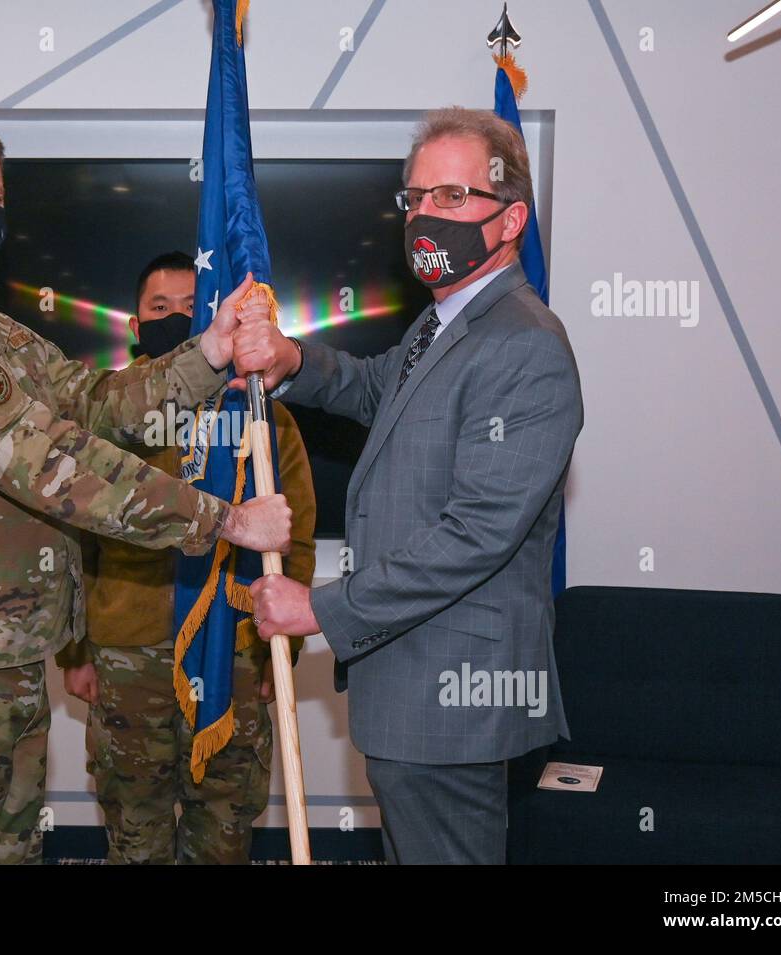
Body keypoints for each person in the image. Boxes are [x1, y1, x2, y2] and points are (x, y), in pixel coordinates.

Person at [0, 118, 293, 864]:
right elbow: (54, 465)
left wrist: (207, 353)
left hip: (2, 665)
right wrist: (225, 519)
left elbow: (98, 408)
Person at [238, 107, 583, 864]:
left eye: (452, 197)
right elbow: (372, 389)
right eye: (418, 197)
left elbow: (477, 535)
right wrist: (295, 361)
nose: (427, 214)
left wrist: (319, 607)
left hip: (453, 693)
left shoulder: (524, 345)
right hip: (416, 683)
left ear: (510, 217)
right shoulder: (446, 324)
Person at [57, 251, 317, 864]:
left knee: (224, 826)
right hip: (127, 652)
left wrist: (282, 649)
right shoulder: (105, 420)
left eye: (188, 307)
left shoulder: (263, 419)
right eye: (158, 307)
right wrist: (74, 651)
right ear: (133, 323)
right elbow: (71, 539)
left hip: (232, 649)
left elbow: (295, 537)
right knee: (135, 825)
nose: (174, 316)